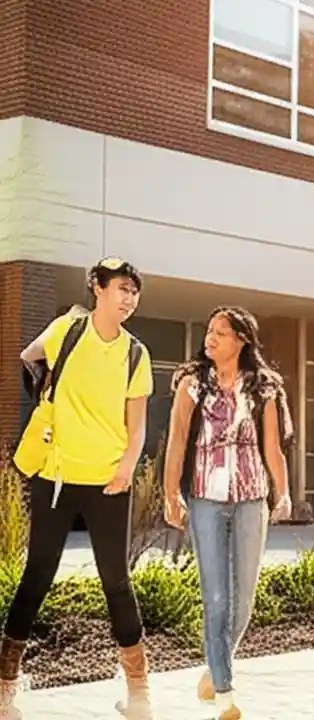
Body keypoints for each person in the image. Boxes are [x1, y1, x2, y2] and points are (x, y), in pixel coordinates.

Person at [1, 258, 155, 719]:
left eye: (134, 292)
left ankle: (139, 692)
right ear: (97, 288)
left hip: (109, 481)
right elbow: (29, 355)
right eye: (122, 288)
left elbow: (137, 425)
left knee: (116, 581)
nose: (129, 299)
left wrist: (126, 468)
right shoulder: (66, 331)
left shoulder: (136, 353)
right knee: (37, 574)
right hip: (57, 474)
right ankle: (5, 686)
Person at [161, 306, 294, 720]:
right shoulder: (192, 384)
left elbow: (271, 447)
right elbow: (177, 441)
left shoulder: (262, 387)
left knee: (243, 602)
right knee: (216, 599)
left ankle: (213, 668)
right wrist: (170, 494)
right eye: (209, 330)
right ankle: (224, 694)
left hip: (251, 498)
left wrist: (283, 493)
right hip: (205, 498)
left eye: (221, 332)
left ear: (241, 340)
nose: (211, 338)